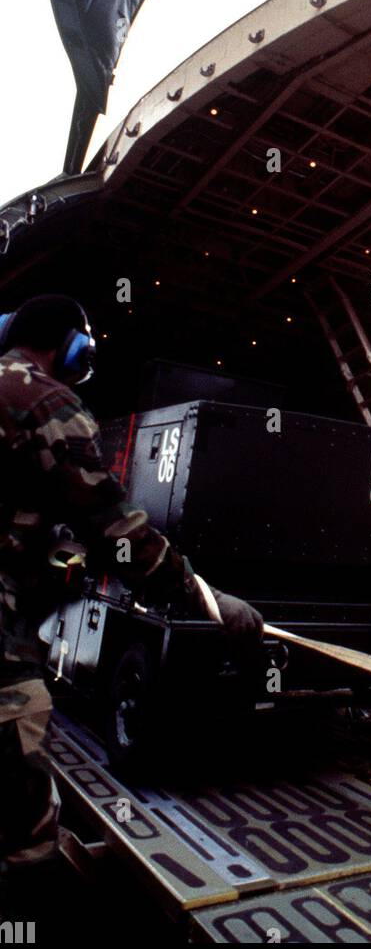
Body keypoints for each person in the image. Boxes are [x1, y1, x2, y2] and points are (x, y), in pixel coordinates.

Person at [0, 294, 263, 892]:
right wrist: (205, 598)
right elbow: (116, 529)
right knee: (17, 733)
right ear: (70, 345)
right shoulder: (43, 397)